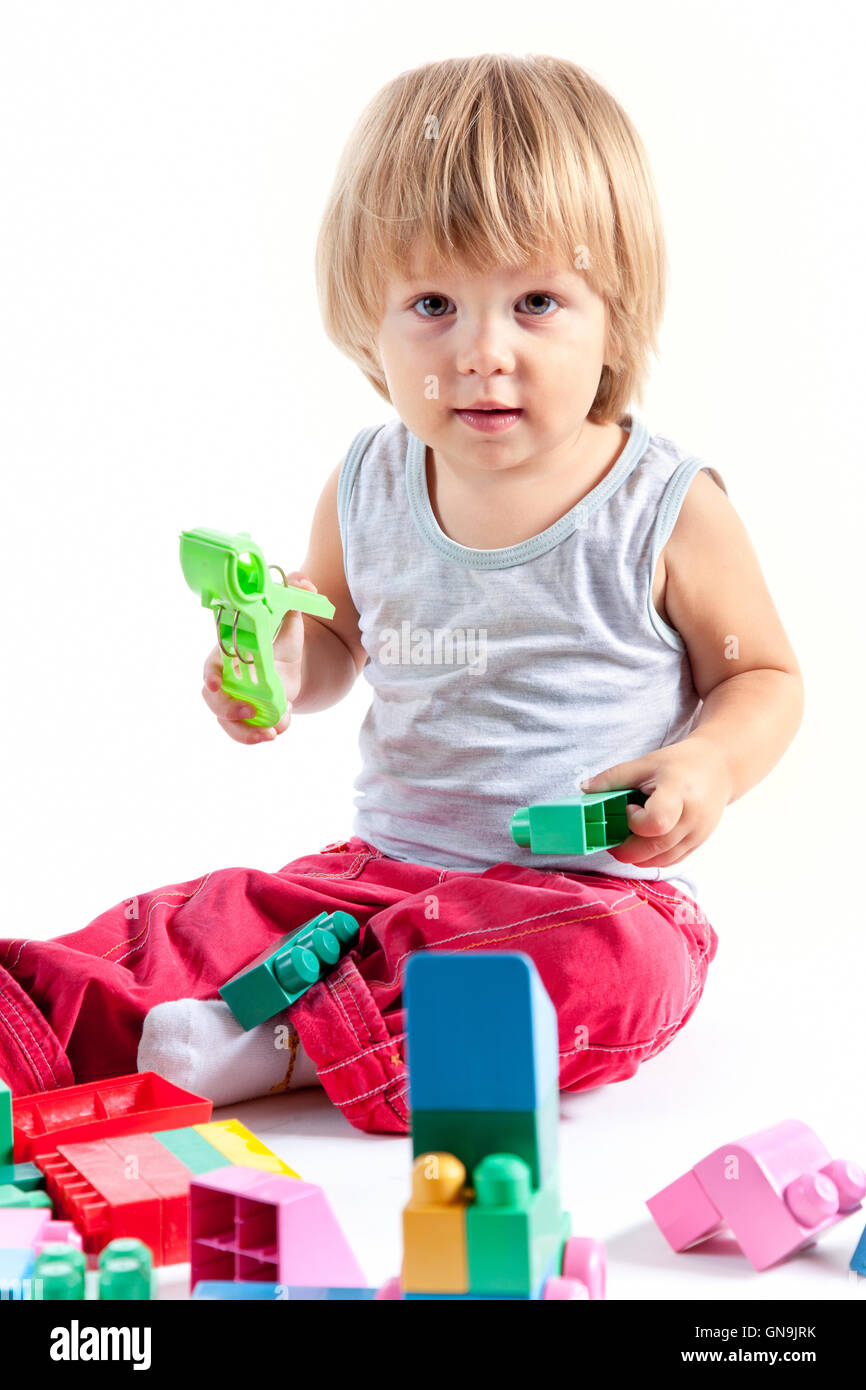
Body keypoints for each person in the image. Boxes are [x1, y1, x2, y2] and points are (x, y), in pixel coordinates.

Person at [0, 54, 803, 1135]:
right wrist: (278, 668)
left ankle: (279, 1042)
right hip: (377, 882)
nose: (480, 353)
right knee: (208, 916)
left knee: (616, 968)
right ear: (366, 321)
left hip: (583, 889)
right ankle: (46, 1027)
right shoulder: (370, 482)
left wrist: (703, 764)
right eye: (432, 304)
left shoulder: (658, 503)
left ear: (612, 314)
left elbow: (760, 672)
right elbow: (333, 644)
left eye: (535, 303)